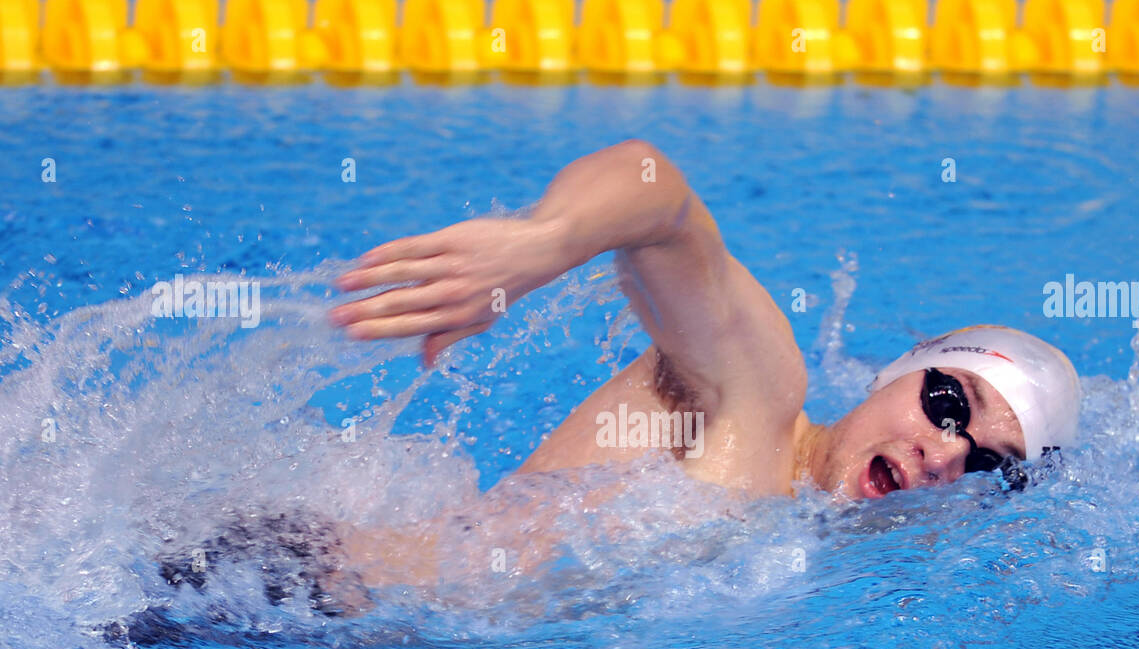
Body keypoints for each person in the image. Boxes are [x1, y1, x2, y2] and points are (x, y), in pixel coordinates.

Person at [329, 139, 1081, 503]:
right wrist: (545, 241)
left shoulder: (804, 556)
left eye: (988, 463)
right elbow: (660, 197)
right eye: (950, 404)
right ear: (906, 367)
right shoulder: (757, 394)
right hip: (291, 590)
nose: (948, 452)